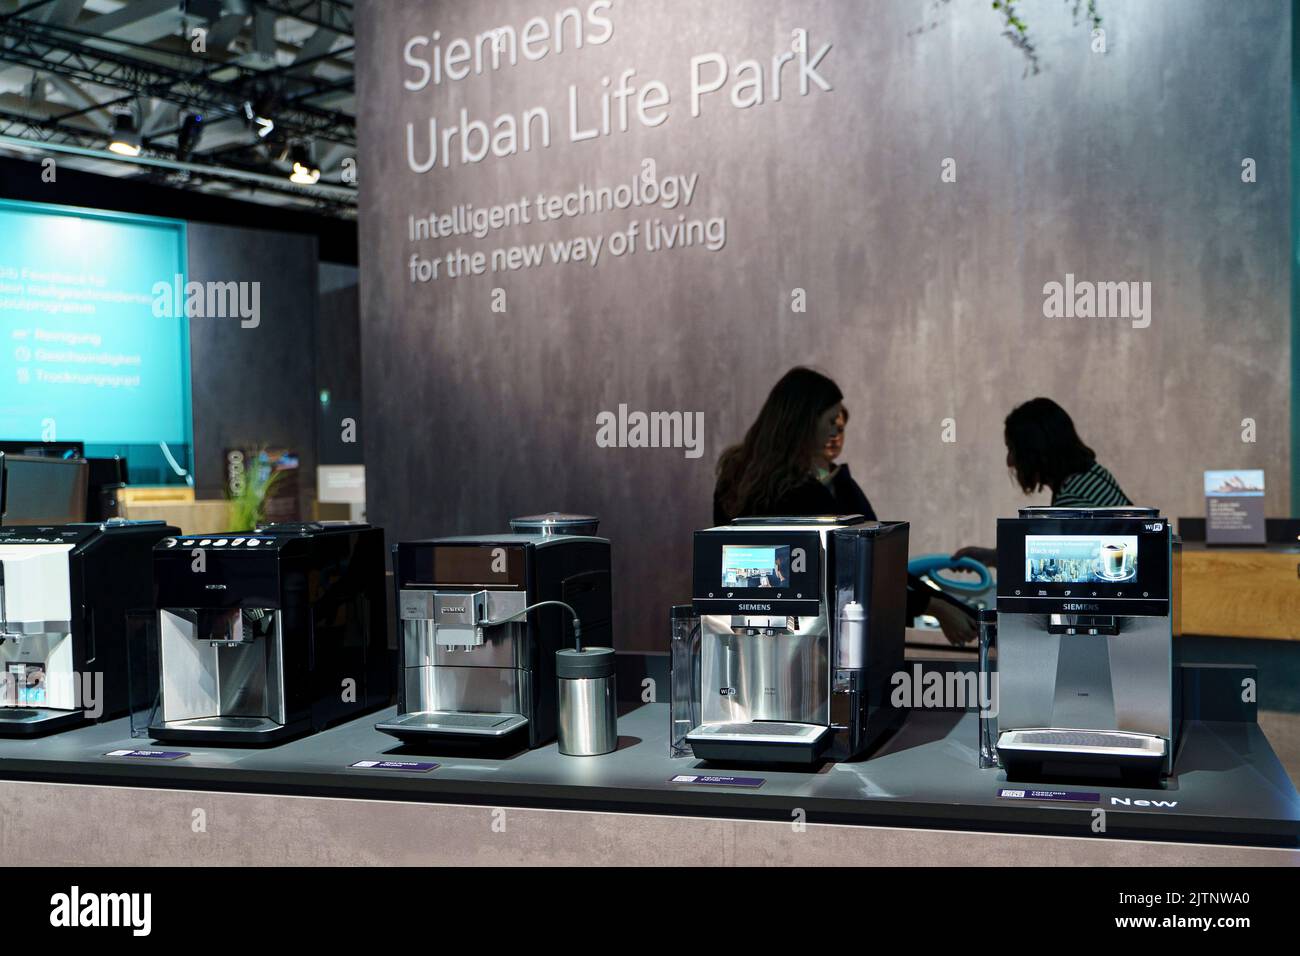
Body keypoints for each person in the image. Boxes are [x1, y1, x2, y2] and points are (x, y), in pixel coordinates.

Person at [714, 367, 977, 645]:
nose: (836, 431)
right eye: (830, 421)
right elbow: (862, 566)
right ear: (802, 422)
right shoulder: (800, 492)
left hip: (751, 640)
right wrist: (934, 607)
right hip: (807, 643)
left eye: (840, 424)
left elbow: (877, 559)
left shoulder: (740, 477)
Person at [954, 397, 1132, 566]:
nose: (1009, 461)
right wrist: (992, 557)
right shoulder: (1094, 476)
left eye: (1012, 449)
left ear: (1034, 452)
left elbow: (1068, 575)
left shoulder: (1073, 503)